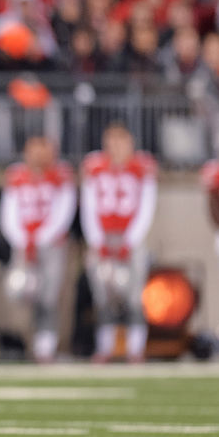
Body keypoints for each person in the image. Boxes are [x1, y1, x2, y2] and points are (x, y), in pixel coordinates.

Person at [80, 124, 157, 363]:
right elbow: (88, 205)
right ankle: (105, 347)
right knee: (103, 296)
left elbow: (147, 206)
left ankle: (136, 349)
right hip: (102, 238)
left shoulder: (142, 166)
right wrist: (96, 240)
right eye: (111, 141)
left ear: (130, 143)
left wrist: (131, 240)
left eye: (120, 141)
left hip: (131, 238)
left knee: (134, 296)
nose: (115, 147)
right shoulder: (94, 166)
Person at [0, 137, 76, 362]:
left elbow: (64, 211)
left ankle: (46, 347)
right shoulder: (16, 174)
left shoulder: (61, 174)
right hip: (23, 245)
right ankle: (32, 342)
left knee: (49, 297)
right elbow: (8, 212)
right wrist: (23, 240)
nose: (38, 158)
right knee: (22, 294)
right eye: (34, 152)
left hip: (51, 245)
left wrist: (39, 238)